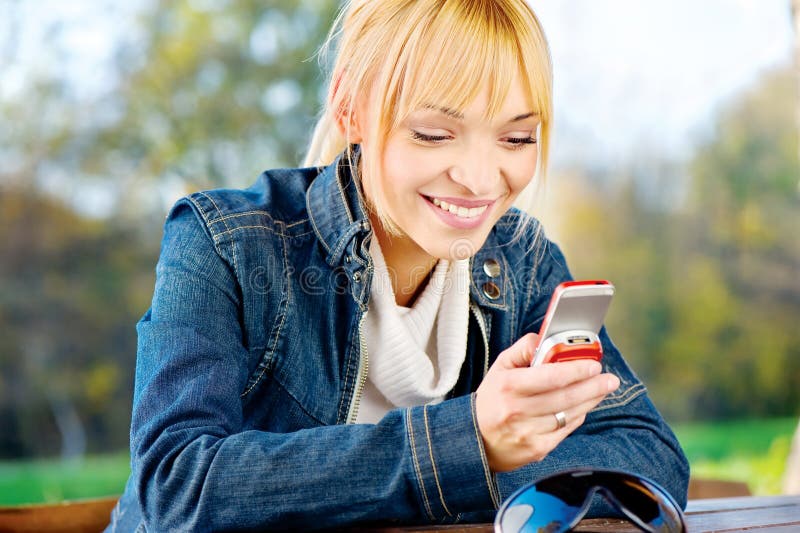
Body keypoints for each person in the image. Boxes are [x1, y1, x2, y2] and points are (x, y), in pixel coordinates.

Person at [107, 0, 689, 530]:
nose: (480, 180)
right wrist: (471, 445)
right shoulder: (224, 243)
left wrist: (488, 457)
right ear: (350, 108)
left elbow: (651, 457)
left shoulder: (523, 261)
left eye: (516, 139)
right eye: (435, 134)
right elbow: (177, 487)